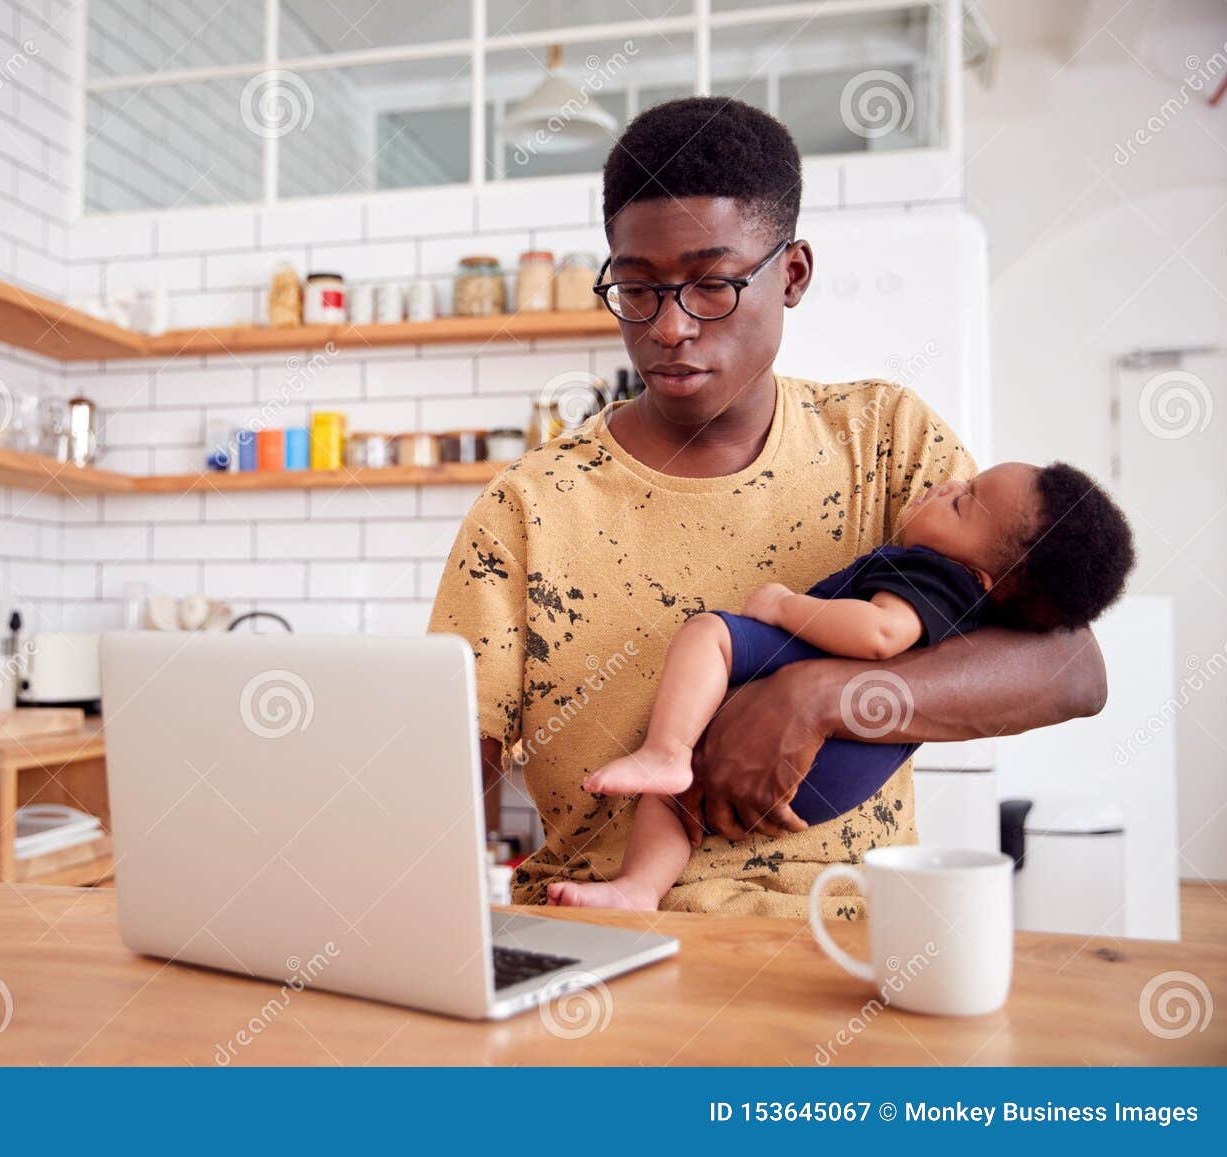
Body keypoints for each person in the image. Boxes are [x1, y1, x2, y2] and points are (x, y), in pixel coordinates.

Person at [427, 97, 1111, 918]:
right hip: (597, 940)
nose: (670, 327)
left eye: (712, 284)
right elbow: (440, 785)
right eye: (637, 289)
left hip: (846, 949)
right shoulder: (527, 510)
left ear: (791, 275)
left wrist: (819, 696)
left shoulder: (887, 442)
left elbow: (1073, 669)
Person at [547, 460, 1134, 909]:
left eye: (962, 502)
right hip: (842, 777)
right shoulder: (974, 579)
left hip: (827, 746)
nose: (947, 484)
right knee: (678, 803)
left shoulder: (935, 574)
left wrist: (783, 609)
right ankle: (639, 890)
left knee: (709, 635)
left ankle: (664, 751)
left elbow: (880, 633)